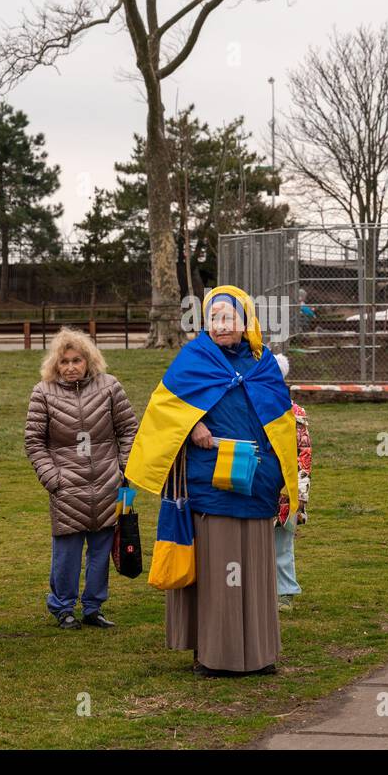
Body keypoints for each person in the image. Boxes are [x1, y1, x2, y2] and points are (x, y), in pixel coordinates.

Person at [126, 286, 300, 676]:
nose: (223, 325)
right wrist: (193, 427)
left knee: (254, 568)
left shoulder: (264, 363)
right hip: (209, 483)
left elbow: (281, 415)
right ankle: (214, 654)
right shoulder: (194, 359)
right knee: (218, 566)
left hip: (256, 481)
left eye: (231, 316)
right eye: (215, 317)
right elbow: (165, 410)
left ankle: (258, 652)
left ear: (247, 321)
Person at [25, 328, 138, 629]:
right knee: (67, 553)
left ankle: (93, 606)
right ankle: (62, 607)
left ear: (88, 361)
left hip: (106, 482)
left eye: (77, 360)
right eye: (65, 362)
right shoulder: (43, 393)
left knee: (101, 550)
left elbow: (128, 430)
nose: (71, 367)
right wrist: (53, 478)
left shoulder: (110, 387)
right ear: (55, 364)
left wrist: (122, 468)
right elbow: (34, 441)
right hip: (67, 487)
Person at [272, 354, 312, 612]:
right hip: (253, 484)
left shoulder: (294, 414)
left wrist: (298, 491)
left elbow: (303, 452)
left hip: (285, 488)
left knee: (282, 543)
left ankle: (284, 592)